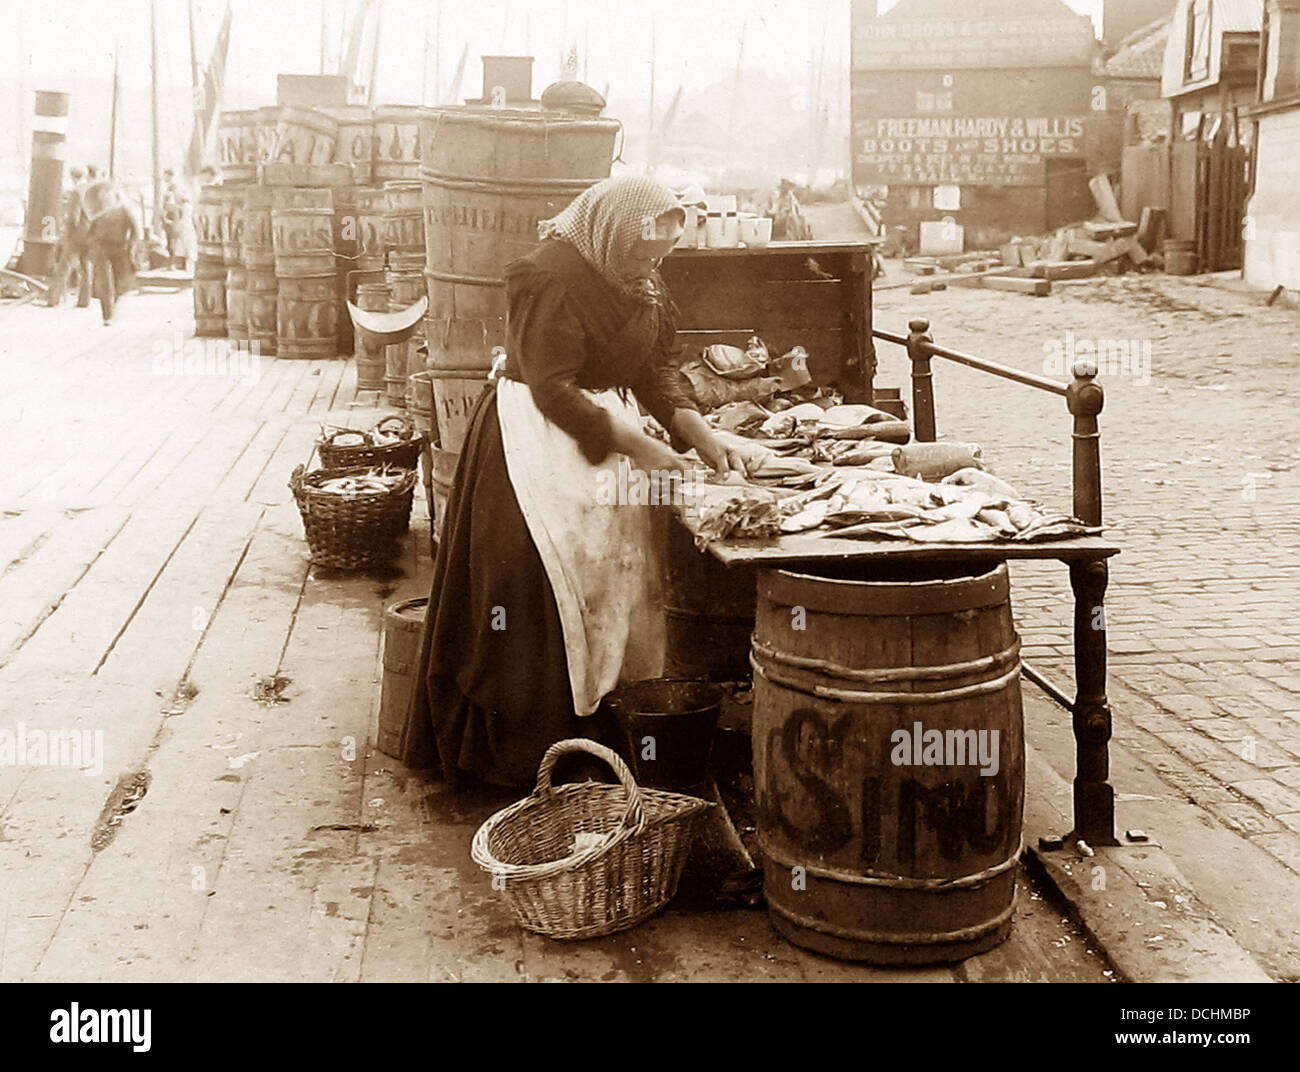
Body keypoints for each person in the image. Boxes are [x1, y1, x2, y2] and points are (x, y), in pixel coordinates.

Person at [404, 175, 765, 788]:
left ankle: (604, 742)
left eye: (659, 255)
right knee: (539, 586)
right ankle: (529, 757)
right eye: (641, 254)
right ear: (610, 232)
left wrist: (700, 433)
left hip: (607, 436)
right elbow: (552, 387)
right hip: (535, 441)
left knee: (612, 583)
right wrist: (640, 445)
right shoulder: (546, 275)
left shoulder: (642, 276)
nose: (650, 265)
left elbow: (656, 367)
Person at [84, 180, 139, 325]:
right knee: (104, 282)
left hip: (120, 248)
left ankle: (112, 306)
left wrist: (131, 247)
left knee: (118, 281)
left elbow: (135, 230)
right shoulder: (98, 212)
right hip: (101, 249)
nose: (105, 198)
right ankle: (107, 315)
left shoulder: (124, 210)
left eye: (108, 195)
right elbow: (90, 232)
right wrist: (90, 245)